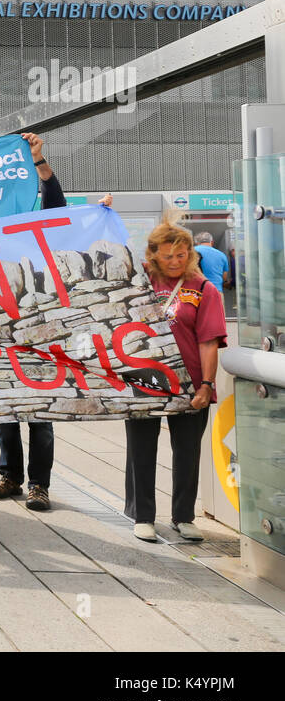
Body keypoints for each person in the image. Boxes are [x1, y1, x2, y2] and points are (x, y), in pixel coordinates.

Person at [125, 218, 226, 542]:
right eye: (167, 256)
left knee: (187, 451)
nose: (174, 262)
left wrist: (207, 385)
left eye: (181, 255)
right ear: (153, 255)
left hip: (192, 383)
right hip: (145, 380)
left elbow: (209, 340)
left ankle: (183, 515)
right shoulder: (139, 284)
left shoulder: (203, 289)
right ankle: (143, 516)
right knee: (141, 449)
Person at [0, 132, 64, 512]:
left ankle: (39, 485)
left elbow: (55, 201)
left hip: (40, 334)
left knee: (40, 414)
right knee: (5, 409)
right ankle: (11, 476)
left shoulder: (39, 231)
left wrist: (37, 161)